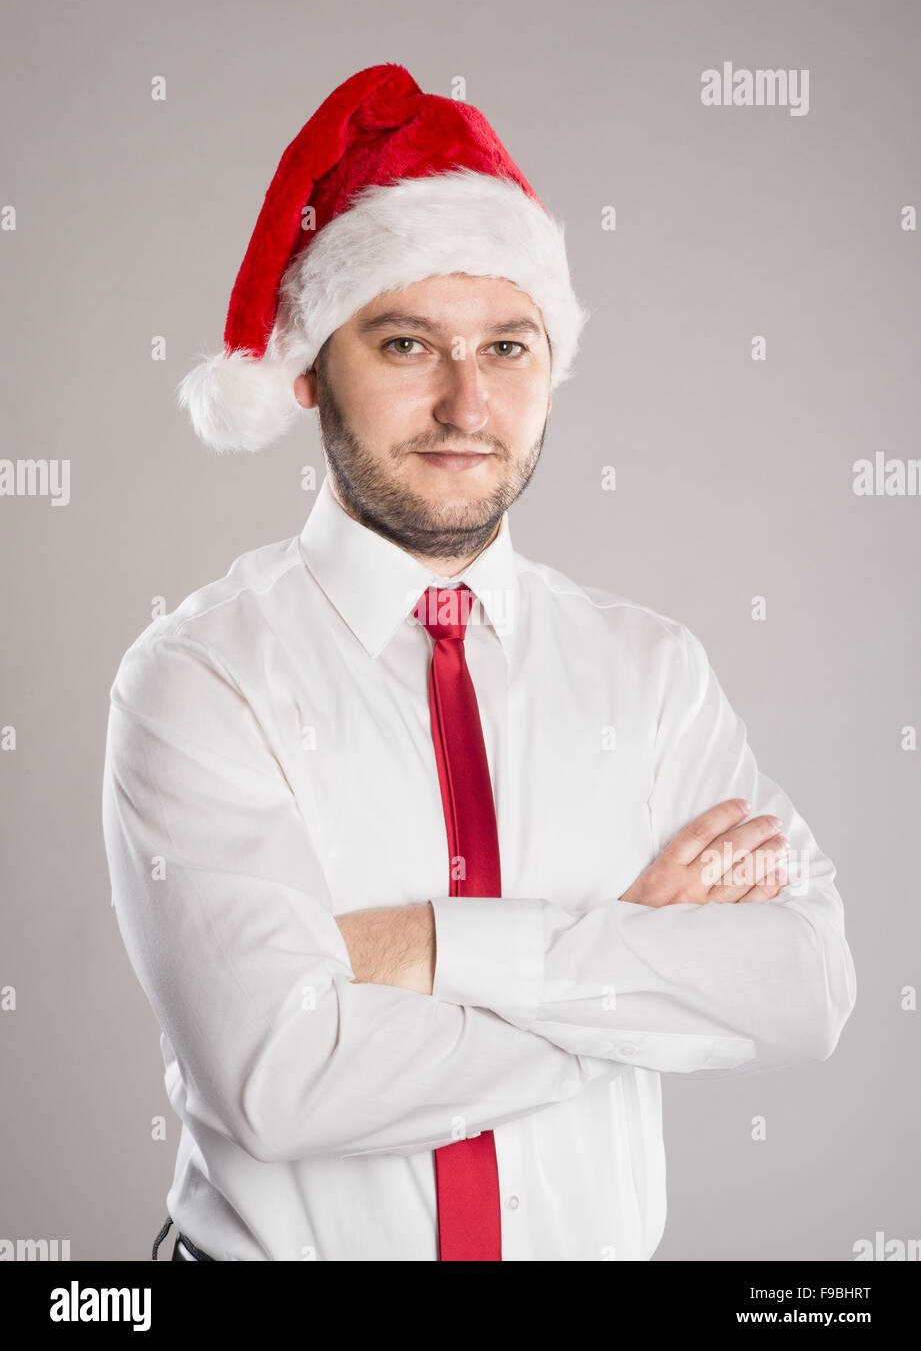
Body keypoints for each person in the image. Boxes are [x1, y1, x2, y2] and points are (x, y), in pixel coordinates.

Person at [102, 62, 856, 1263]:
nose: (467, 402)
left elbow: (805, 986)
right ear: (307, 370)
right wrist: (629, 968)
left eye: (509, 346)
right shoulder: (200, 676)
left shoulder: (649, 672)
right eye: (406, 342)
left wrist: (427, 945)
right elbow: (281, 1080)